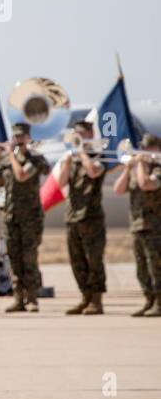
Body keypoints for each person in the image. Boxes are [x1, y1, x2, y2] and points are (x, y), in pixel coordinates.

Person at [0, 122, 51, 312]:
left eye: (22, 136)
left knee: (29, 258)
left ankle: (32, 298)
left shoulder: (35, 159)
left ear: (28, 138)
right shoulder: (7, 160)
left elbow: (21, 175)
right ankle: (18, 298)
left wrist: (11, 155)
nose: (18, 140)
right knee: (14, 258)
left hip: (30, 218)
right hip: (11, 217)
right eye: (16, 137)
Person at [58, 120, 107, 315]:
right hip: (73, 217)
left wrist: (81, 152)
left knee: (94, 260)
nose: (78, 137)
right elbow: (61, 183)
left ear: (90, 134)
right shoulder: (73, 158)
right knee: (77, 260)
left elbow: (93, 172)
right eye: (76, 134)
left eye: (82, 134)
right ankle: (85, 298)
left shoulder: (98, 156)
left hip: (91, 217)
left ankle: (96, 300)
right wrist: (68, 161)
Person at [114, 134, 161, 316]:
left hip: (155, 227)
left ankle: (159, 303)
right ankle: (149, 301)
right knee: (142, 268)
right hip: (137, 225)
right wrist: (127, 169)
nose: (143, 151)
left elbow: (145, 184)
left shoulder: (157, 170)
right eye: (142, 147)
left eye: (148, 148)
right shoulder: (137, 170)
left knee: (156, 267)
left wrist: (140, 164)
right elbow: (118, 189)